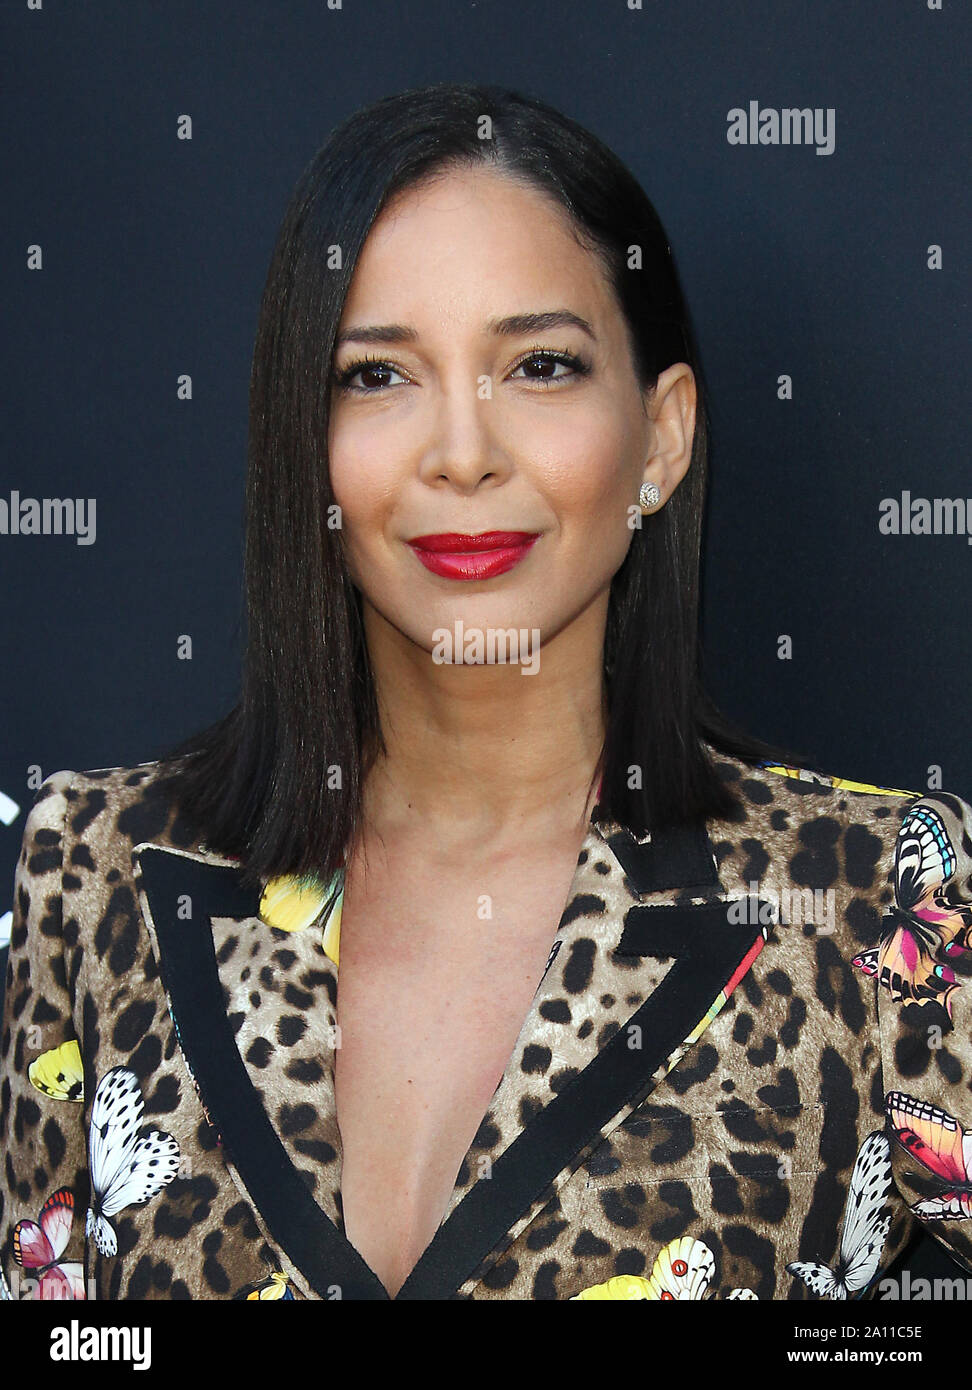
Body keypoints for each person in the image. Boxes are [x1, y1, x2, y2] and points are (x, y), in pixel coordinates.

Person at [2, 82, 971, 1303]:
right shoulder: (94, 873)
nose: (463, 451)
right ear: (304, 444)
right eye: (376, 377)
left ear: (662, 440)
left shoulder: (875, 902)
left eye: (542, 365)